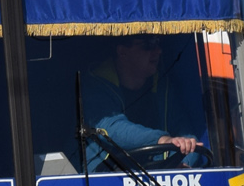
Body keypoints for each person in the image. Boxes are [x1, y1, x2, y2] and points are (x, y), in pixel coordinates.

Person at [81, 34, 204, 171]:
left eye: (158, 43)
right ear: (122, 52)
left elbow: (184, 132)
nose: (158, 51)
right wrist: (162, 140)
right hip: (105, 180)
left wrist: (184, 164)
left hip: (157, 184)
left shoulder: (163, 85)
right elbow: (110, 127)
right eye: (149, 44)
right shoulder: (95, 84)